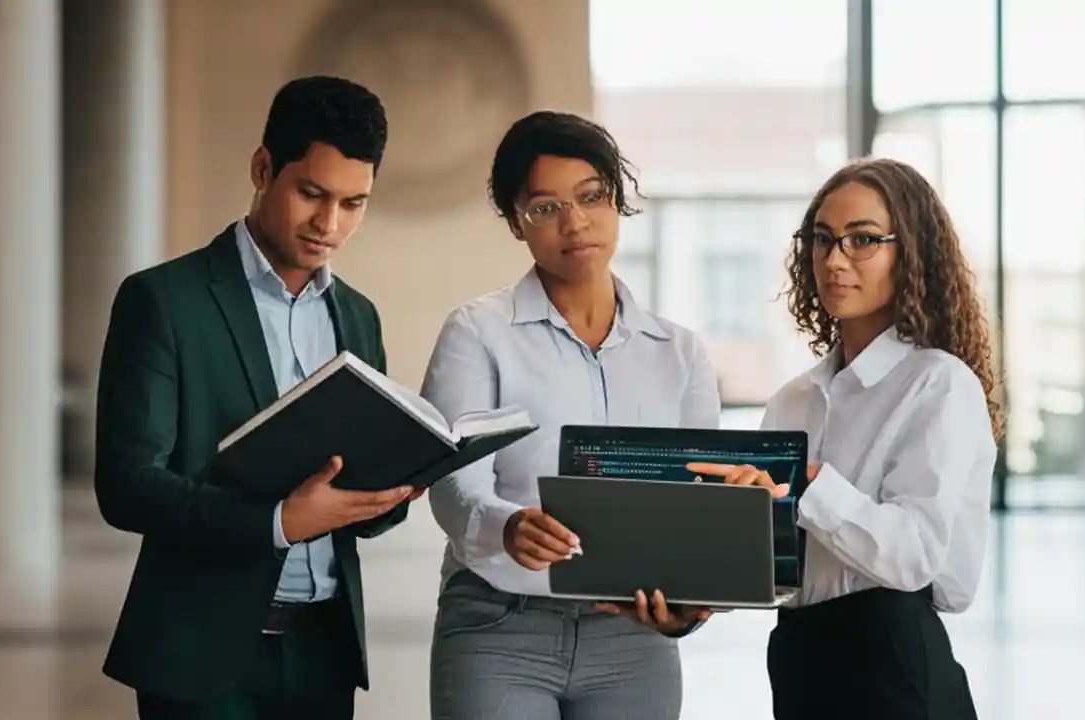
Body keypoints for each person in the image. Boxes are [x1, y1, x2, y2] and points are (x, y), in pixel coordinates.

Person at [95, 75, 423, 719]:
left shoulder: (358, 317)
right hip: (200, 657)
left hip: (325, 651)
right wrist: (279, 522)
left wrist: (393, 488)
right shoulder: (163, 301)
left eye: (354, 204)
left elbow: (365, 508)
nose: (329, 224)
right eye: (312, 194)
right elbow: (128, 484)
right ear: (262, 168)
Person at [421, 110, 719, 720]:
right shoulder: (478, 333)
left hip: (633, 638)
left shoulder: (679, 353)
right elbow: (452, 483)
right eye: (545, 207)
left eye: (592, 197)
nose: (575, 223)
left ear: (617, 201)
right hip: (500, 625)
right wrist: (506, 525)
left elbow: (699, 505)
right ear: (515, 222)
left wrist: (690, 603)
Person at [691, 158, 998, 719]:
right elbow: (771, 567)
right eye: (823, 239)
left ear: (909, 253)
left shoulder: (939, 384)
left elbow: (917, 558)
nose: (834, 260)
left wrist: (808, 486)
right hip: (799, 655)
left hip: (894, 662)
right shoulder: (792, 400)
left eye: (862, 240)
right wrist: (687, 596)